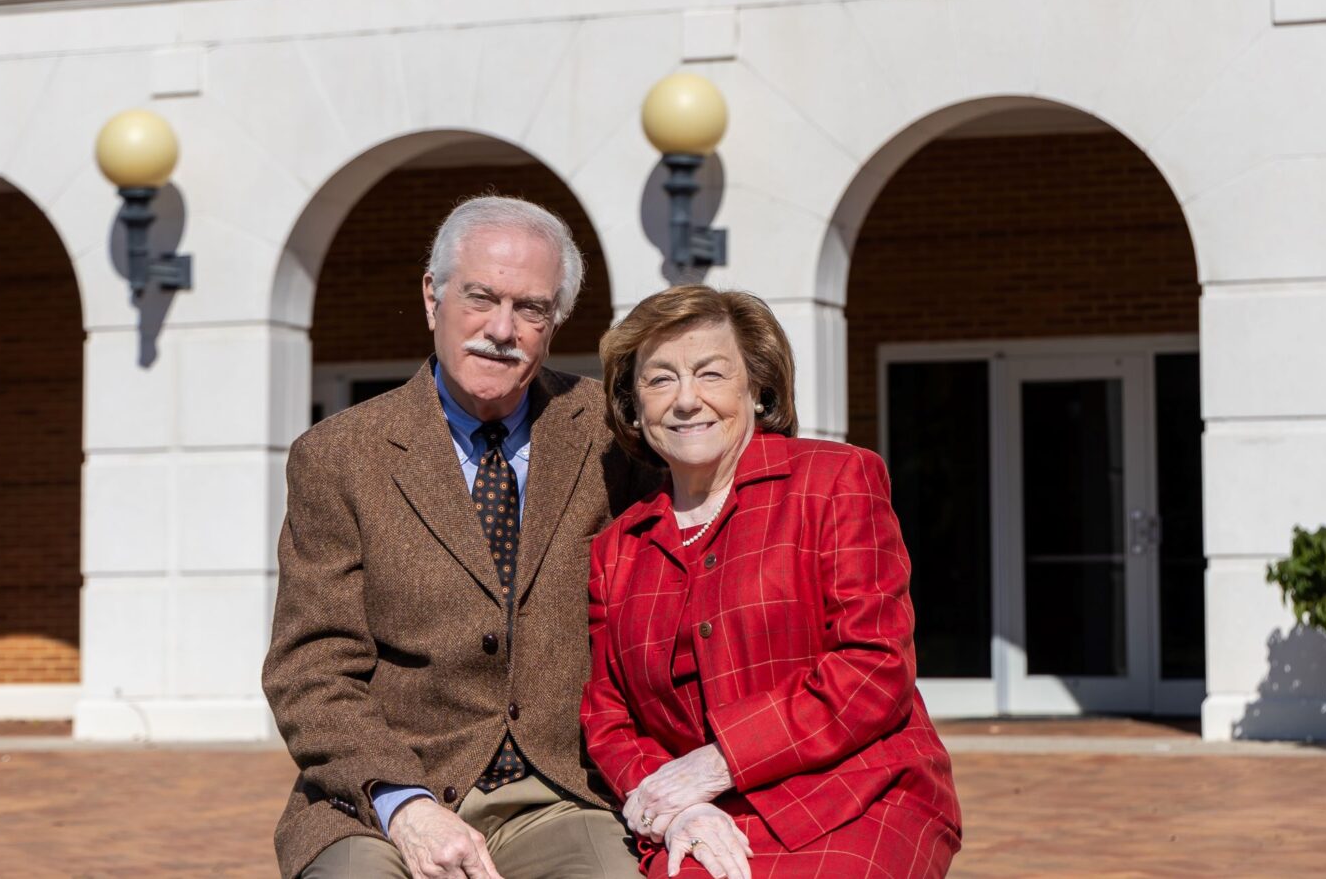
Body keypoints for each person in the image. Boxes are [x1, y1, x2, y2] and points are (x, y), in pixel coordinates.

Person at [265, 196, 655, 879]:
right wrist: (405, 803)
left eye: (530, 308)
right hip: (380, 797)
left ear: (553, 320)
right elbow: (311, 669)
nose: (501, 329)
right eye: (480, 297)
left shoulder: (611, 432)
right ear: (432, 296)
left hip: (562, 792)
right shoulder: (338, 455)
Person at [583, 287, 961, 879]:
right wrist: (669, 805)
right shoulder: (617, 549)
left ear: (757, 388)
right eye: (659, 381)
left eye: (711, 373)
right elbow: (607, 716)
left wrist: (716, 763)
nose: (686, 400)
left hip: (857, 793)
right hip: (704, 814)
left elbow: (875, 664)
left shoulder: (836, 479)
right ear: (633, 407)